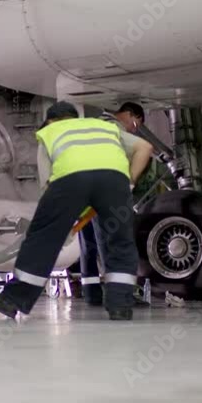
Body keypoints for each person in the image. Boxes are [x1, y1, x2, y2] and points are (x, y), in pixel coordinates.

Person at [0, 101, 147, 320]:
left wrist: (60, 225)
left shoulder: (50, 131)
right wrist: (128, 183)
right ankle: (121, 306)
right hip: (115, 181)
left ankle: (14, 299)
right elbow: (144, 148)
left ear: (53, 120)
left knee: (42, 240)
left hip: (70, 182)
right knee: (121, 243)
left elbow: (48, 184)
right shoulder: (104, 126)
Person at [80, 102, 153, 306]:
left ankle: (92, 293)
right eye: (135, 124)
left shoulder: (93, 123)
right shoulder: (114, 129)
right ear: (129, 114)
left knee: (88, 244)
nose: (133, 129)